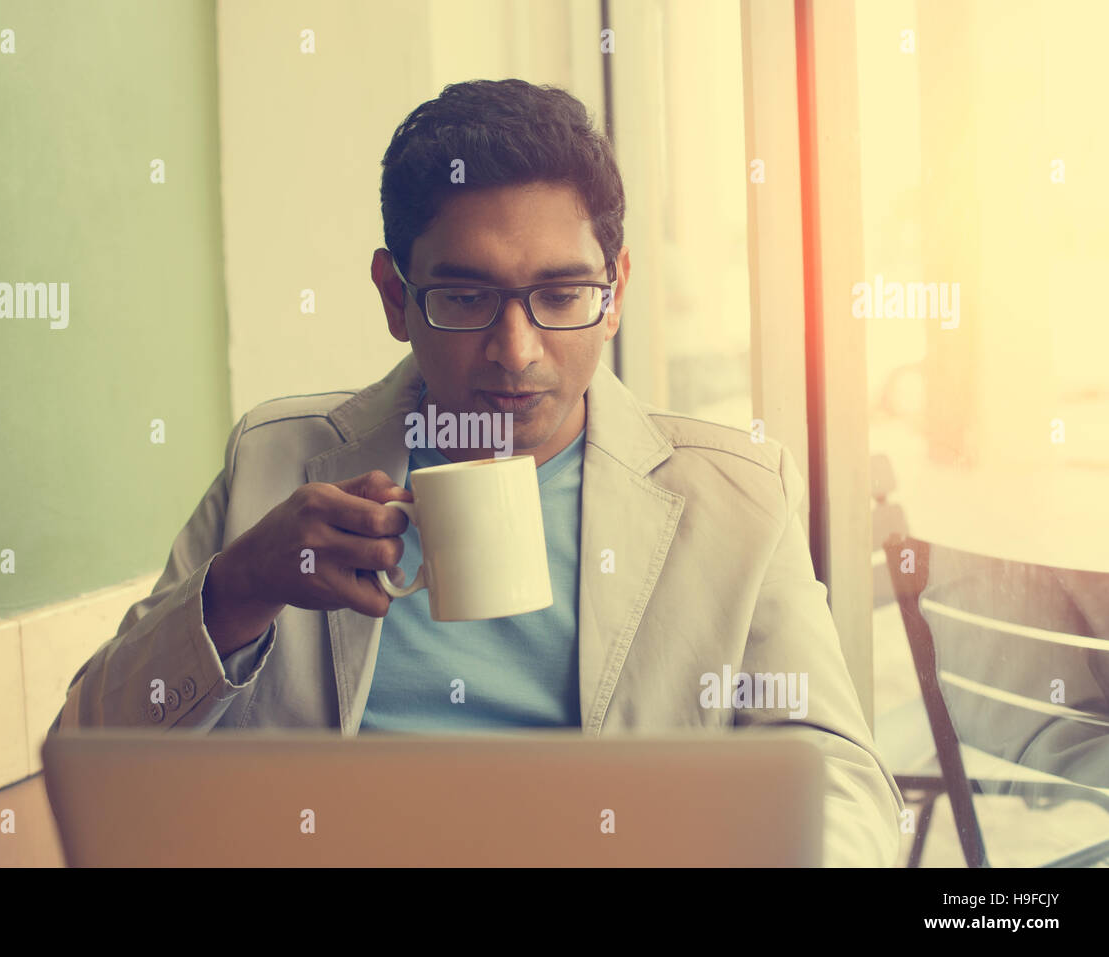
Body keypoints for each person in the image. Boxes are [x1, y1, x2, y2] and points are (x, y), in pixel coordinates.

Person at [49, 78, 903, 866]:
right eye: (464, 298)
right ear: (394, 296)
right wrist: (235, 592)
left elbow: (844, 788)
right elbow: (89, 753)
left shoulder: (738, 498)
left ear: (616, 291)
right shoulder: (273, 464)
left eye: (562, 296)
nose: (516, 351)